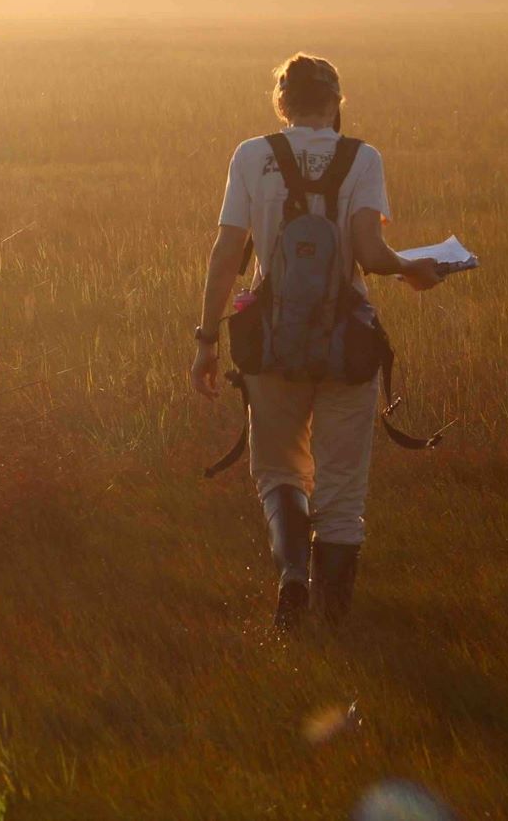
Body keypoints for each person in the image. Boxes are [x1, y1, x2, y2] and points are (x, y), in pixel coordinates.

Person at [189, 54, 442, 631]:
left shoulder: (252, 156)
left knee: (278, 472)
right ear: (335, 102)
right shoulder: (363, 158)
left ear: (282, 104)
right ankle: (334, 625)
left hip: (270, 344)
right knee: (342, 488)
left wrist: (207, 341)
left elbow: (227, 256)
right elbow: (372, 257)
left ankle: (292, 580)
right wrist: (416, 269)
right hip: (347, 347)